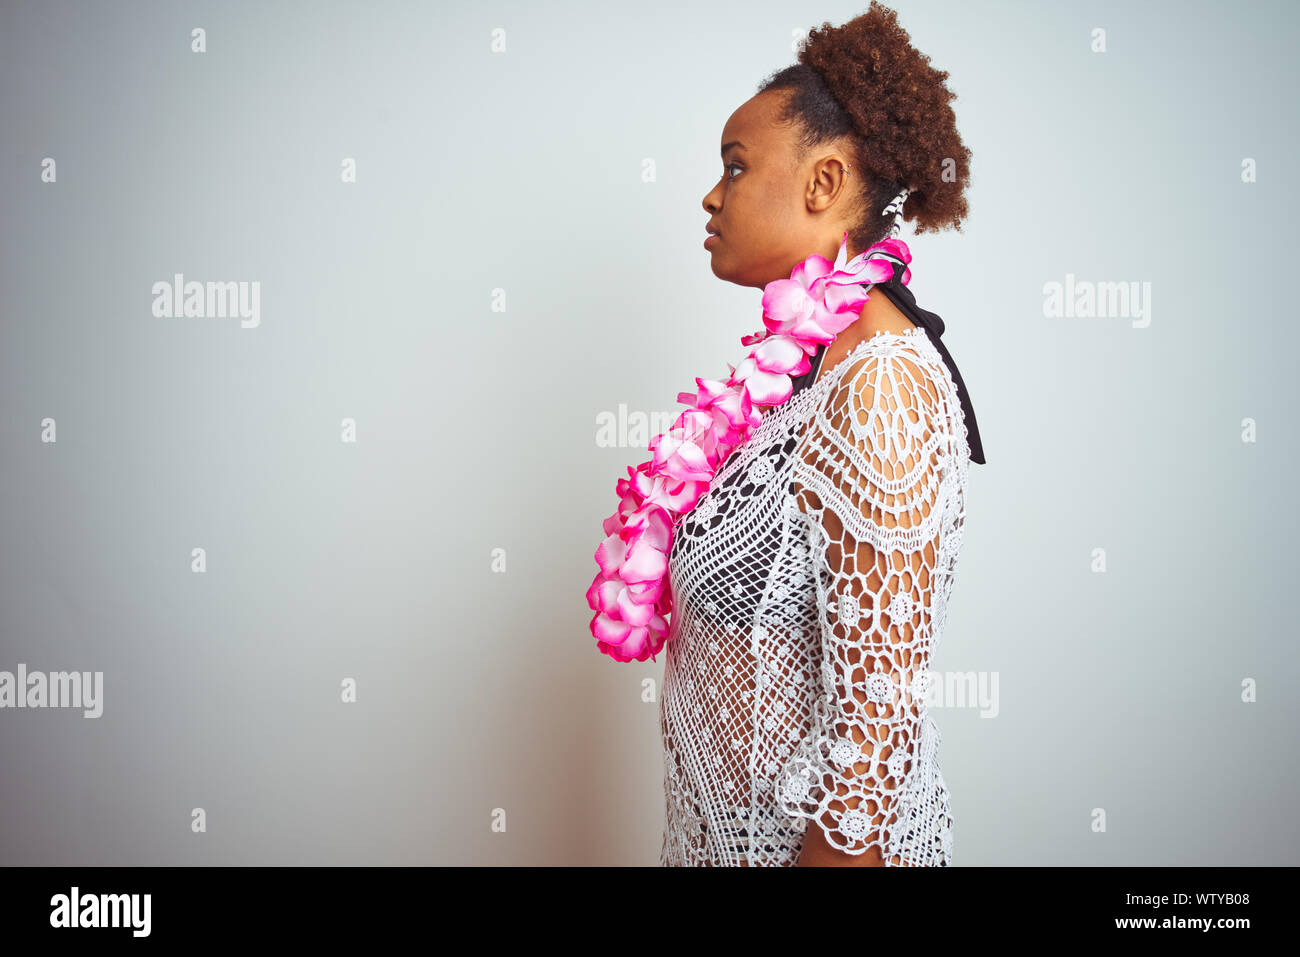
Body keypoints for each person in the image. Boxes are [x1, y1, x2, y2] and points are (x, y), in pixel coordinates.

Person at [659, 1, 985, 867]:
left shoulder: (878, 382)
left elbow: (871, 748)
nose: (711, 193)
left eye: (735, 166)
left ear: (824, 183)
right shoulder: (803, 378)